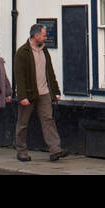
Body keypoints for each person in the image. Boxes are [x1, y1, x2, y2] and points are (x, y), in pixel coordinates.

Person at [13, 24, 65, 162]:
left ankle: (55, 150)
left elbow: (50, 72)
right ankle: (21, 151)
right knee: (23, 123)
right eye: (43, 35)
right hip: (29, 94)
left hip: (44, 93)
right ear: (35, 36)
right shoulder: (22, 52)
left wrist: (55, 91)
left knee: (48, 121)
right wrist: (22, 96)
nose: (45, 37)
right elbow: (19, 77)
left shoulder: (44, 50)